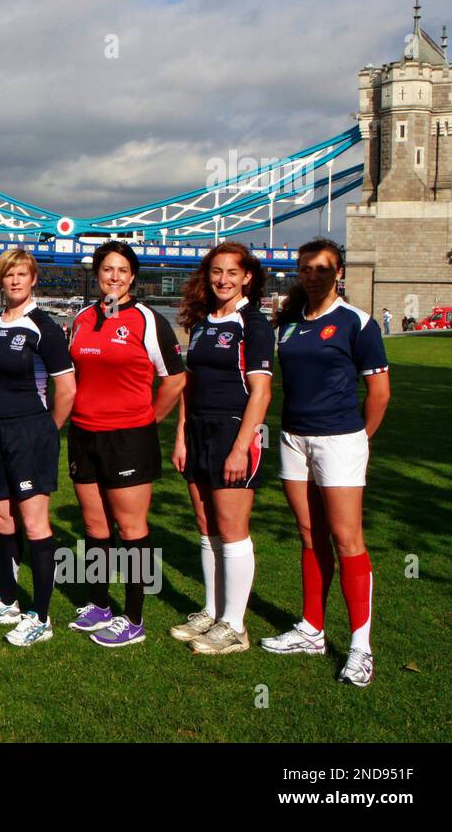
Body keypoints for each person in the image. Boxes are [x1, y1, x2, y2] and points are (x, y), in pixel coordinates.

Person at [261, 239, 390, 687]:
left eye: (322, 268)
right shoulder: (290, 324)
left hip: (339, 440)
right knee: (309, 535)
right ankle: (312, 629)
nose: (312, 275)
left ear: (339, 273)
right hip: (294, 438)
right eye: (305, 268)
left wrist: (360, 438)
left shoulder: (358, 323)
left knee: (346, 537)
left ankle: (360, 647)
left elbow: (380, 393)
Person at [67, 240, 185, 647]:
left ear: (132, 276)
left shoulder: (146, 319)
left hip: (129, 437)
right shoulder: (83, 317)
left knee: (132, 529)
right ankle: (99, 605)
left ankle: (133, 618)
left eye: (121, 270)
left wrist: (148, 418)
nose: (113, 277)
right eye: (106, 269)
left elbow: (175, 378)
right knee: (96, 527)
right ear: (97, 274)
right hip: (83, 433)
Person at [0, 248, 76, 648]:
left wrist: (49, 428)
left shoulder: (43, 326)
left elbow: (67, 386)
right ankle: (9, 599)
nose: (14, 281)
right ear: (1, 280)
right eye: (8, 275)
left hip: (30, 433)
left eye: (21, 275)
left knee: (34, 524)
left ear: (33, 280)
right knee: (1, 518)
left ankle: (42, 616)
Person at [171, 242, 272, 654]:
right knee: (206, 523)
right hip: (197, 430)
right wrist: (180, 435)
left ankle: (235, 626)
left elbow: (262, 392)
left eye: (232, 272)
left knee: (232, 530)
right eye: (216, 272)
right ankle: (212, 612)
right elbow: (188, 386)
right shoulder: (202, 323)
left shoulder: (254, 324)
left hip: (234, 431)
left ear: (247, 276)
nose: (223, 280)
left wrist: (240, 447)